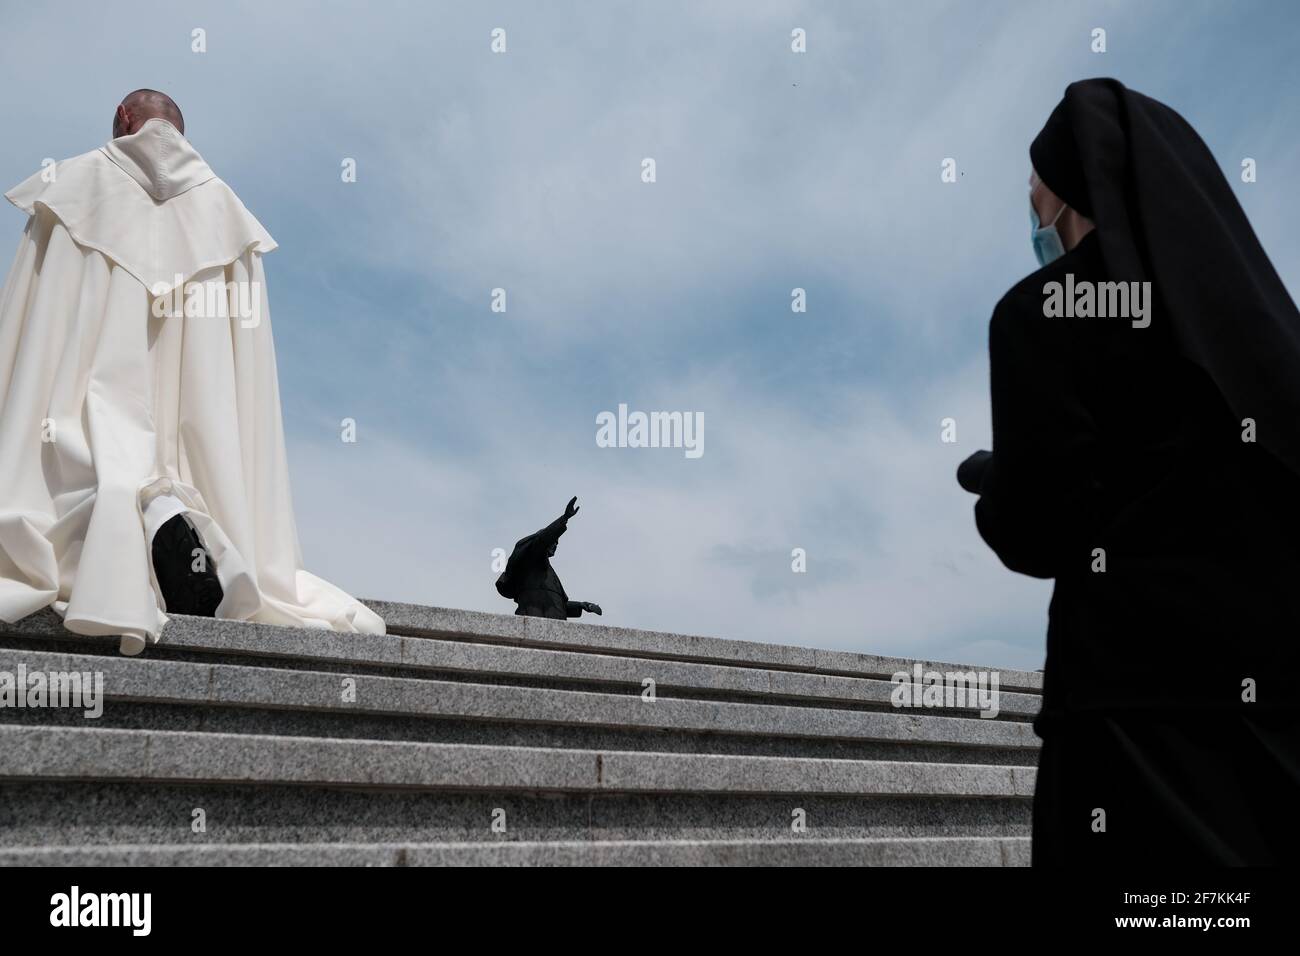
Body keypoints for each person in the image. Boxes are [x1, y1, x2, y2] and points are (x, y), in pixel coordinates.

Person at [959, 78, 1300, 865]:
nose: (1034, 213)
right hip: (1275, 714)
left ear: (1070, 195)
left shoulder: (1041, 310)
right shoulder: (1255, 328)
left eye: (1036, 192)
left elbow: (1041, 530)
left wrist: (993, 486)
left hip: (1130, 716)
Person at [0, 90, 384, 654]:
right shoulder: (226, 212)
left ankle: (112, 540)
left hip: (85, 402)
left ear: (123, 120)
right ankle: (186, 527)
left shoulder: (75, 183)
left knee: (84, 446)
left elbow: (38, 321)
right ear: (181, 129)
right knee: (174, 462)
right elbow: (241, 361)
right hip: (187, 413)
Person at [496, 497, 602, 620]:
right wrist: (564, 518)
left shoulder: (549, 572)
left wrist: (582, 605)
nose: (555, 545)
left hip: (556, 627)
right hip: (534, 619)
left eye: (557, 544)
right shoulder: (532, 558)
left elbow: (558, 605)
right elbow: (543, 539)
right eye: (553, 542)